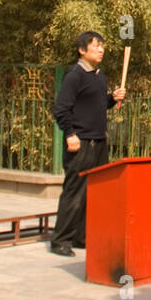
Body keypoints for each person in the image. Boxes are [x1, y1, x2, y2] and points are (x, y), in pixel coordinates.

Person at [49, 31, 126, 256]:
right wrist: (70, 134)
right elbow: (61, 109)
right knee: (74, 193)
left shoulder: (99, 75)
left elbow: (97, 104)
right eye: (96, 46)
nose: (101, 50)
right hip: (80, 142)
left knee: (95, 193)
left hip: (99, 141)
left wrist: (112, 98)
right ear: (82, 50)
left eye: (102, 46)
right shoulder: (75, 75)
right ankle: (60, 240)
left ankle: (81, 237)